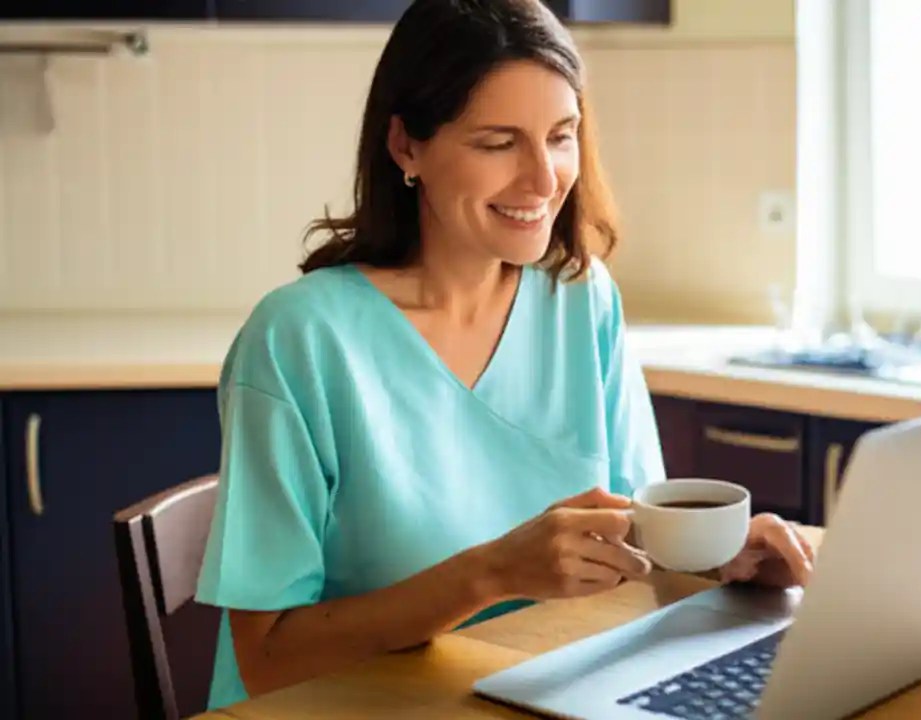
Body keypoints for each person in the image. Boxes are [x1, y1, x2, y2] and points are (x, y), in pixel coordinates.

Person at [195, 0, 815, 710]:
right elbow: (268, 660)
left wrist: (721, 555)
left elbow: (639, 543)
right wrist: (490, 573)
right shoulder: (299, 340)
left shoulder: (581, 299)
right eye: (498, 143)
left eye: (561, 136)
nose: (544, 179)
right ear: (406, 147)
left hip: (526, 695)